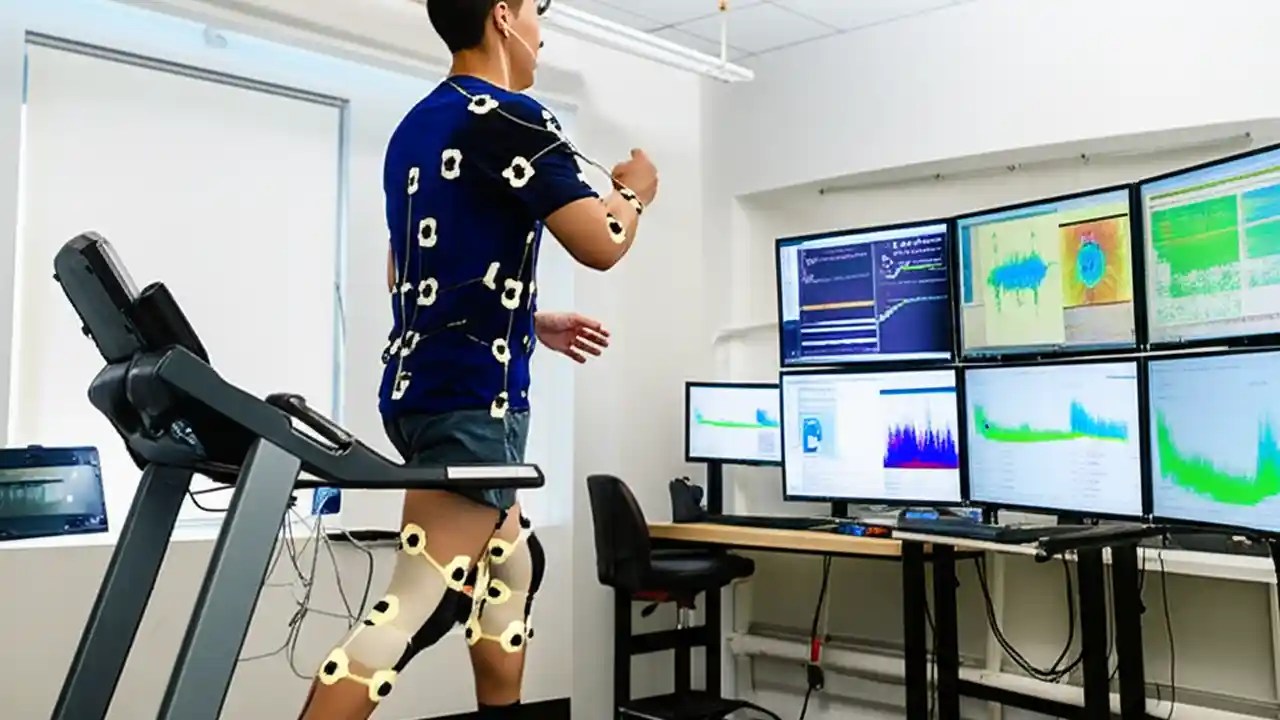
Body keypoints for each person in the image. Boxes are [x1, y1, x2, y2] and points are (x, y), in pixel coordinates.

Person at [296, 0, 658, 718]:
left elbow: (408, 268)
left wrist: (527, 319)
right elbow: (602, 241)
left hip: (423, 390)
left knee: (511, 572)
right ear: (503, 16)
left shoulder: (417, 127)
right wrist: (632, 192)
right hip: (471, 402)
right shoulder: (514, 118)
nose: (541, 33)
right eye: (534, 12)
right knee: (413, 604)